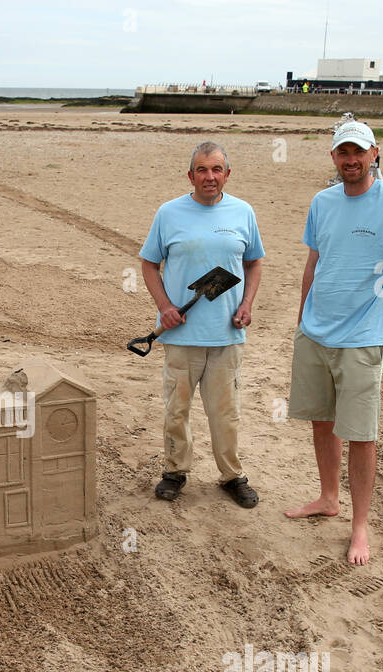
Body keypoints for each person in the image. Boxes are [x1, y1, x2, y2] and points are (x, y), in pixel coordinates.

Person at [285, 119, 383, 563]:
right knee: (322, 420)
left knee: (360, 434)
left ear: (375, 153)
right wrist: (301, 320)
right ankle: (328, 498)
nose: (351, 160)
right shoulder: (322, 201)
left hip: (364, 337)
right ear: (334, 157)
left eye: (359, 152)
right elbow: (314, 263)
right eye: (343, 152)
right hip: (315, 331)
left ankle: (359, 527)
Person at [139, 142, 265, 507]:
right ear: (190, 175)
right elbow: (149, 263)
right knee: (176, 410)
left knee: (226, 413)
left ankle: (231, 476)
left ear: (227, 174)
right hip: (181, 335)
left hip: (227, 335)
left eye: (216, 169)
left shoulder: (243, 212)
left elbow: (254, 262)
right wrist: (164, 306)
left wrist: (246, 304)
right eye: (202, 170)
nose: (209, 177)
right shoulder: (168, 213)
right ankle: (175, 471)